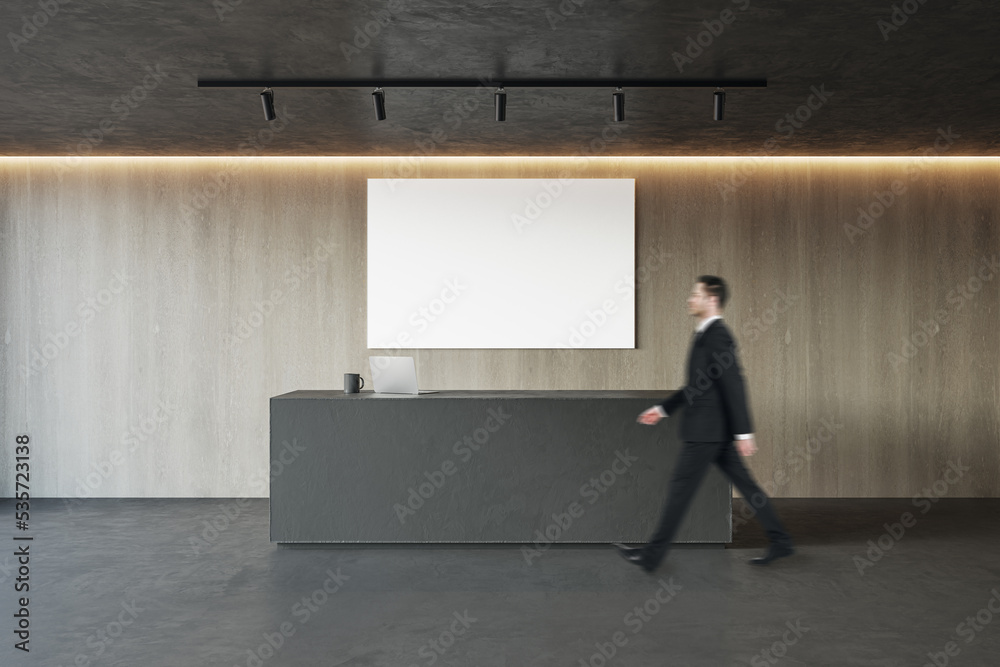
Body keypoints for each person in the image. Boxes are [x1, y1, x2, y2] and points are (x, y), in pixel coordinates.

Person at [614, 276, 794, 572]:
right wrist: (663, 409)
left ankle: (652, 555)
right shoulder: (703, 335)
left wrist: (744, 432)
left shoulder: (718, 335)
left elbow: (734, 383)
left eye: (695, 294)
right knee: (745, 485)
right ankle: (781, 540)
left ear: (712, 300)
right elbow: (697, 386)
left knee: (680, 490)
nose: (690, 299)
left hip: (707, 432)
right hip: (714, 431)